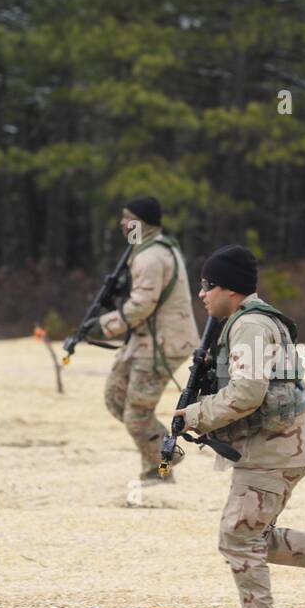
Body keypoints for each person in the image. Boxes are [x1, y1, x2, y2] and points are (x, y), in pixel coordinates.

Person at [173, 244, 305, 608]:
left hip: (272, 453)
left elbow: (247, 393)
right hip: (275, 449)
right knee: (250, 534)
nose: (201, 294)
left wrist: (195, 415)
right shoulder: (250, 322)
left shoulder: (250, 326)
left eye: (207, 286)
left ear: (229, 290)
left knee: (237, 536)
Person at [82, 197, 199, 481]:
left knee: (136, 415)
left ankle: (159, 468)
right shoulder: (147, 249)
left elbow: (142, 305)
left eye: (128, 218)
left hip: (163, 345)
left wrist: (103, 326)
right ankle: (164, 453)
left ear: (143, 224)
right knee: (115, 399)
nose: (122, 224)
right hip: (147, 341)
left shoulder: (149, 256)